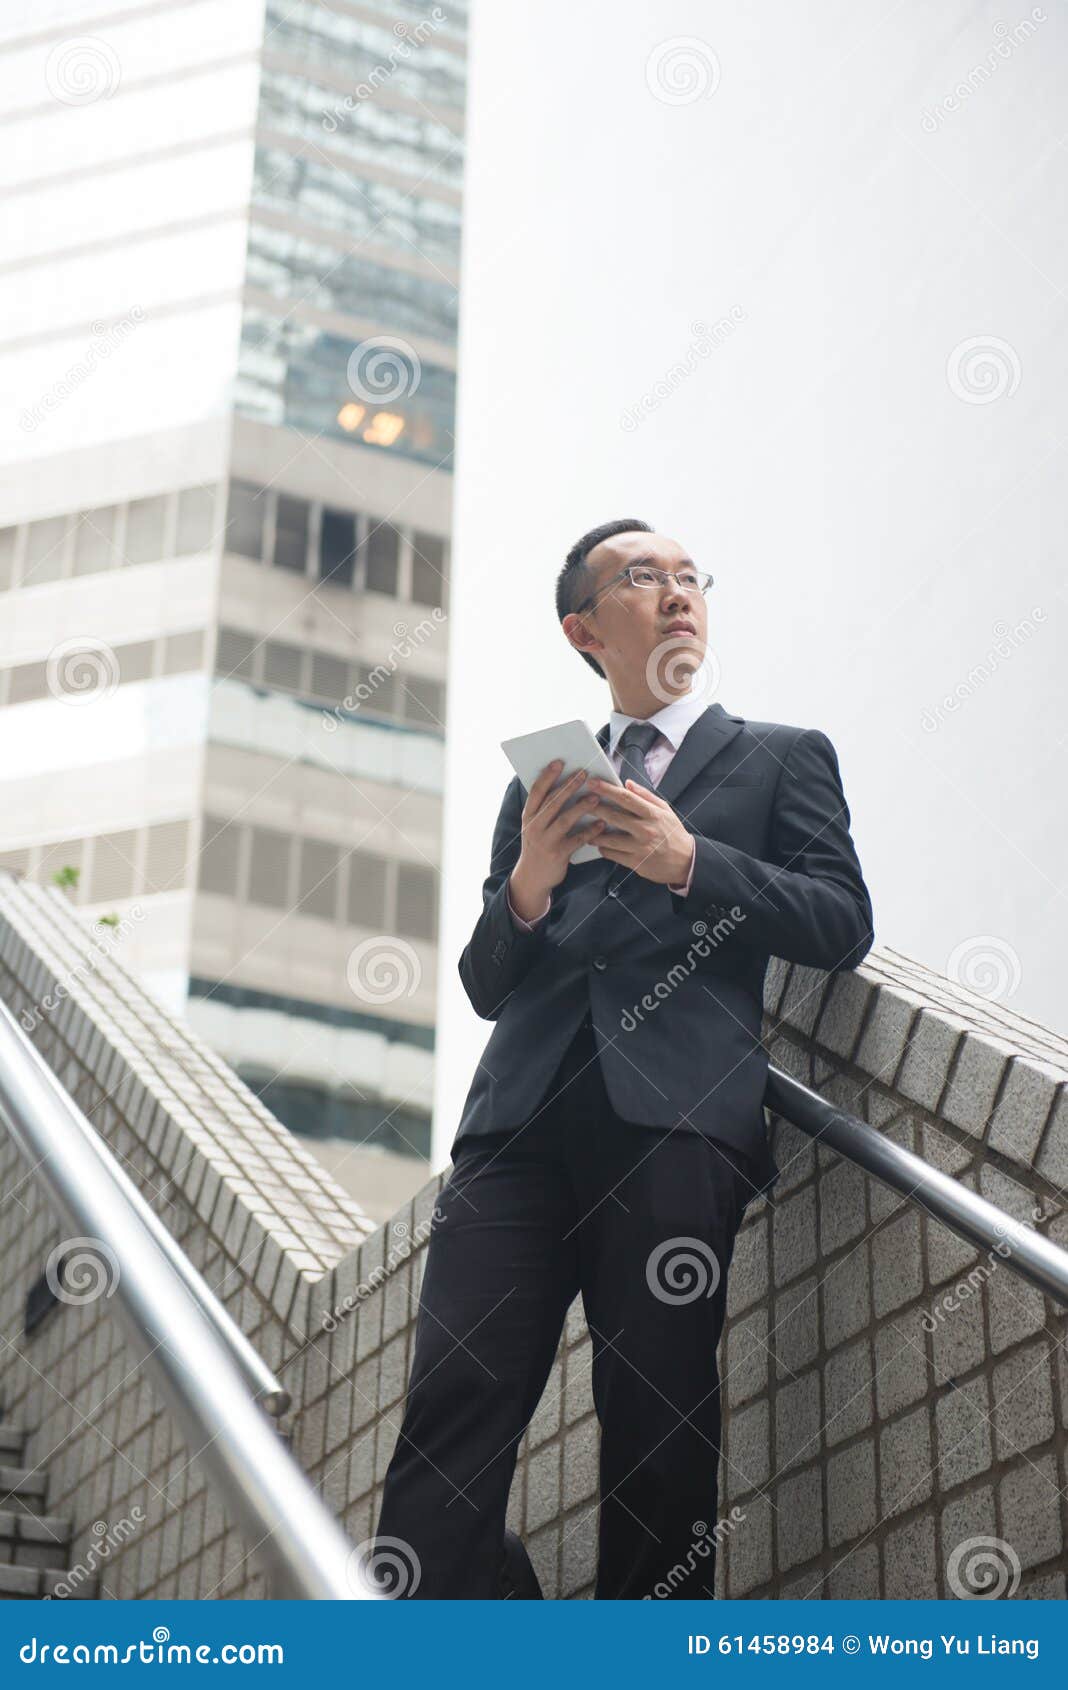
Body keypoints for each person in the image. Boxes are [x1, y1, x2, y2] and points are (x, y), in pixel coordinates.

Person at [370, 517, 874, 1599]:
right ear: (583, 629)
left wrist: (695, 861)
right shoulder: (542, 783)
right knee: (453, 1398)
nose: (679, 592)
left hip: (676, 1120)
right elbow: (484, 980)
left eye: (691, 576)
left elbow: (841, 922)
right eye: (644, 577)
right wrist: (529, 883)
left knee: (656, 1410)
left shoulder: (782, 756)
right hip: (517, 1124)